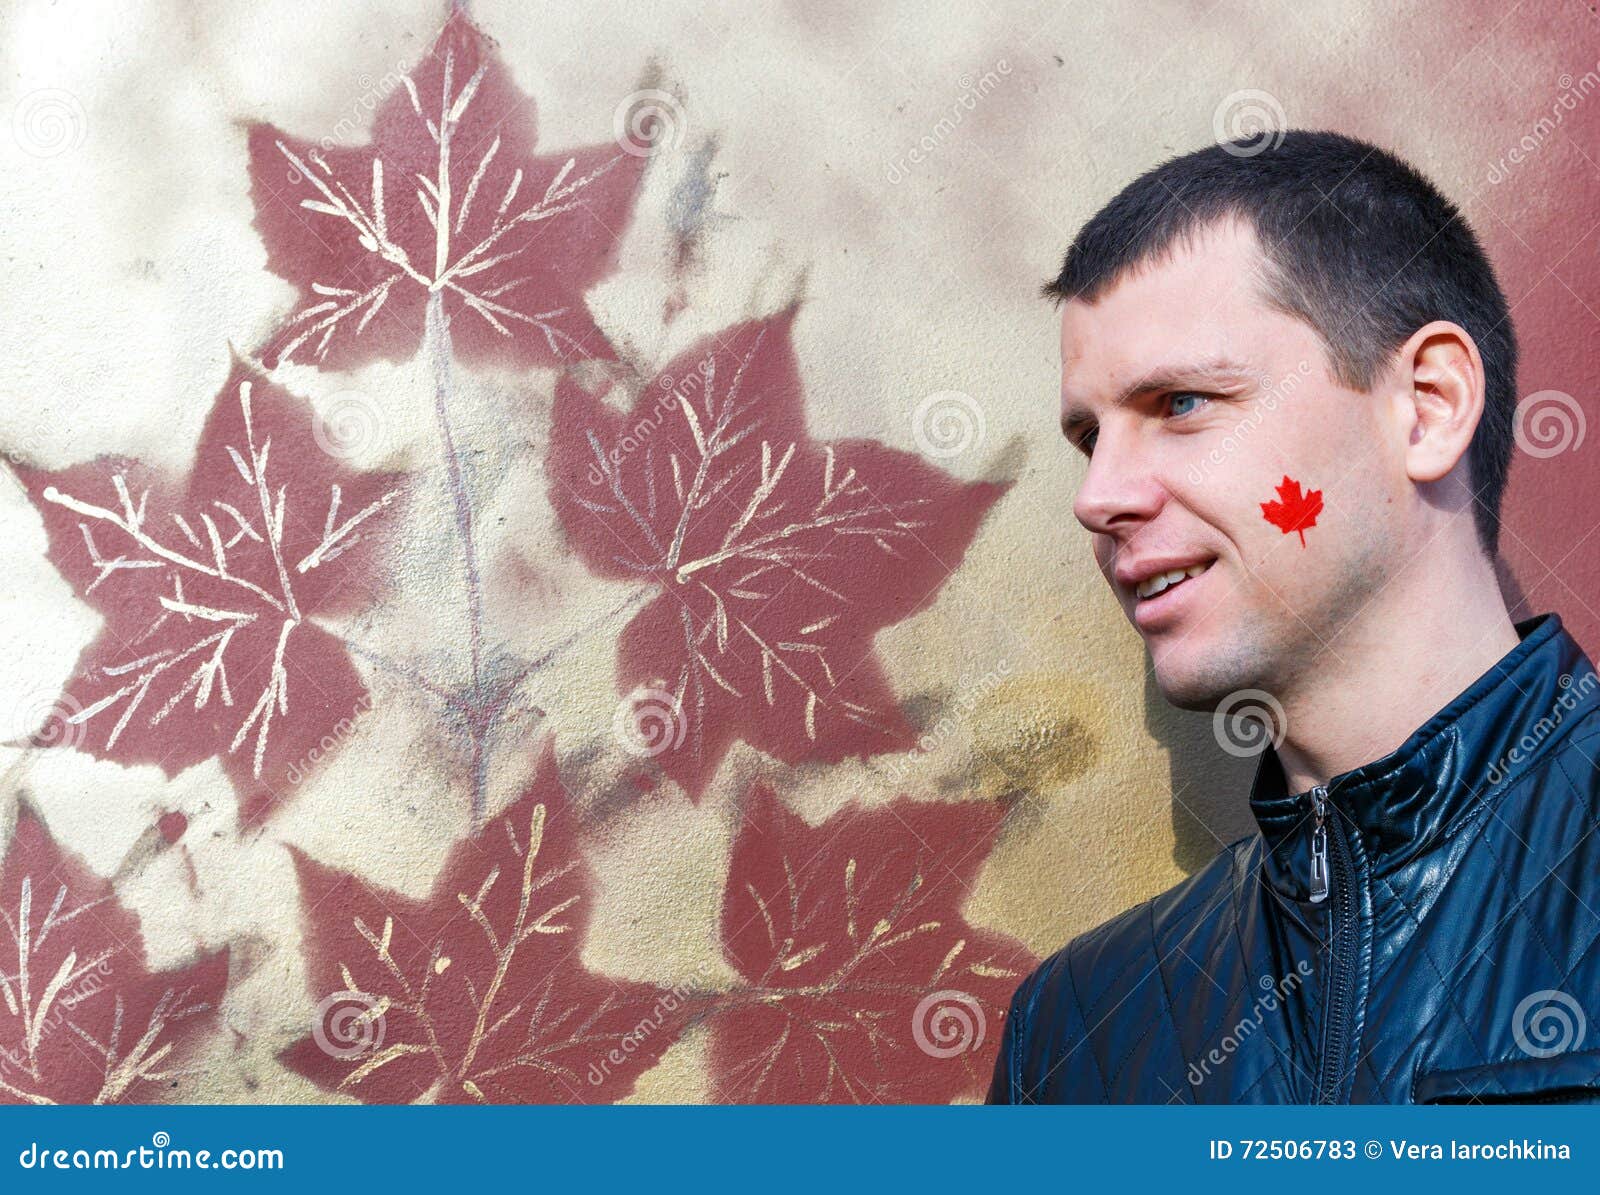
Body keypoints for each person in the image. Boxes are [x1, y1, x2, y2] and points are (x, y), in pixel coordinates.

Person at [989, 129, 1600, 1104]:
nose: (1097, 495)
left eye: (1181, 402)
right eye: (1087, 437)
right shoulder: (1079, 1032)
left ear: (1427, 405)